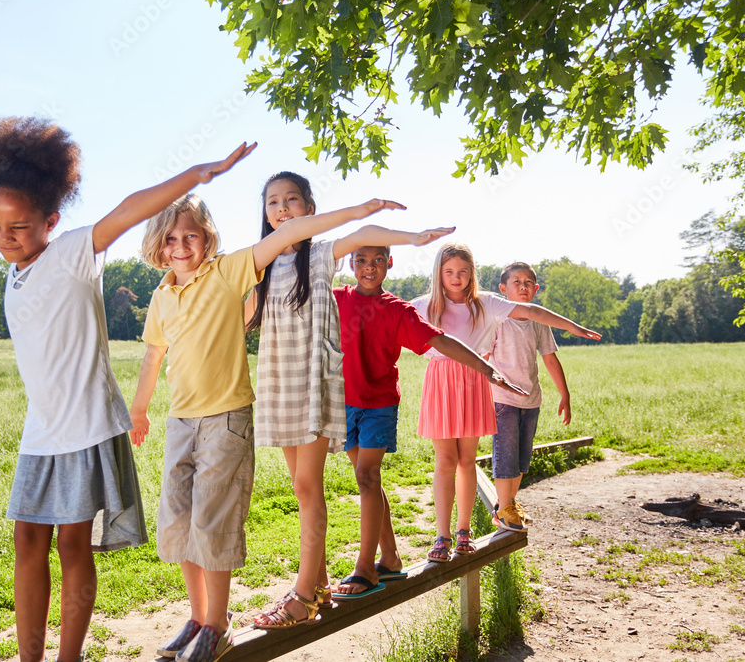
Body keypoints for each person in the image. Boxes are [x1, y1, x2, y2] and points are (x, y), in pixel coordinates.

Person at [0, 114, 254, 662]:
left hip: (85, 426)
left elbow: (132, 208)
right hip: (41, 431)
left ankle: (68, 657)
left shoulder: (75, 252)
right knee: (26, 542)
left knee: (73, 543)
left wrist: (202, 172)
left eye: (19, 227)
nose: (6, 238)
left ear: (51, 220)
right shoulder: (14, 272)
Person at [130, 190, 408, 659]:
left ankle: (218, 625)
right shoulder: (162, 296)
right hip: (181, 420)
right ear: (159, 244)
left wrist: (362, 211)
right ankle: (198, 618)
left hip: (228, 419)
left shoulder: (227, 271)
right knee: (179, 524)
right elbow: (154, 353)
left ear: (208, 239)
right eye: (171, 238)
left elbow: (294, 232)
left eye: (191, 236)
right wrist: (140, 409)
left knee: (213, 523)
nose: (180, 246)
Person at [245, 171, 435, 629]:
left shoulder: (320, 257)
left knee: (309, 488)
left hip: (313, 386)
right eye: (274, 202)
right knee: (299, 487)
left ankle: (304, 594)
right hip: (278, 384)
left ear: (310, 209)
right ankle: (321, 582)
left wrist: (408, 234)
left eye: (293, 199)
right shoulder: (261, 265)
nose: (283, 208)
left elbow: (364, 235)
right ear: (265, 213)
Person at [332, 245, 526, 598]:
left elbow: (439, 340)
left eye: (378, 260)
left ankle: (366, 567)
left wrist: (487, 370)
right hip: (343, 403)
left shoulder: (399, 310)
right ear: (349, 263)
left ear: (389, 263)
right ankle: (389, 559)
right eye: (360, 260)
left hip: (379, 403)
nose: (369, 267)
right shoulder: (337, 298)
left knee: (368, 475)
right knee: (367, 480)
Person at [411, 243, 601, 563]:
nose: (456, 278)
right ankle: (441, 536)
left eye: (463, 272)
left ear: (473, 274)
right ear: (438, 275)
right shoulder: (423, 305)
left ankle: (463, 532)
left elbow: (531, 312)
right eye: (449, 272)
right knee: (445, 461)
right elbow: (386, 321)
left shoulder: (486, 303)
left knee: (466, 460)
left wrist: (571, 325)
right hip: (440, 381)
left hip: (474, 381)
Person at [488, 262, 572, 531]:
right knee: (505, 454)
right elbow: (483, 358)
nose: (522, 286)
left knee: (523, 457)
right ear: (503, 289)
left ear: (535, 289)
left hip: (531, 400)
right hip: (503, 399)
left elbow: (549, 359)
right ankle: (502, 510)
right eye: (516, 282)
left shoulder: (539, 322)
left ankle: (510, 503)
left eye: (528, 283)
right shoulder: (497, 321)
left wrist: (564, 394)